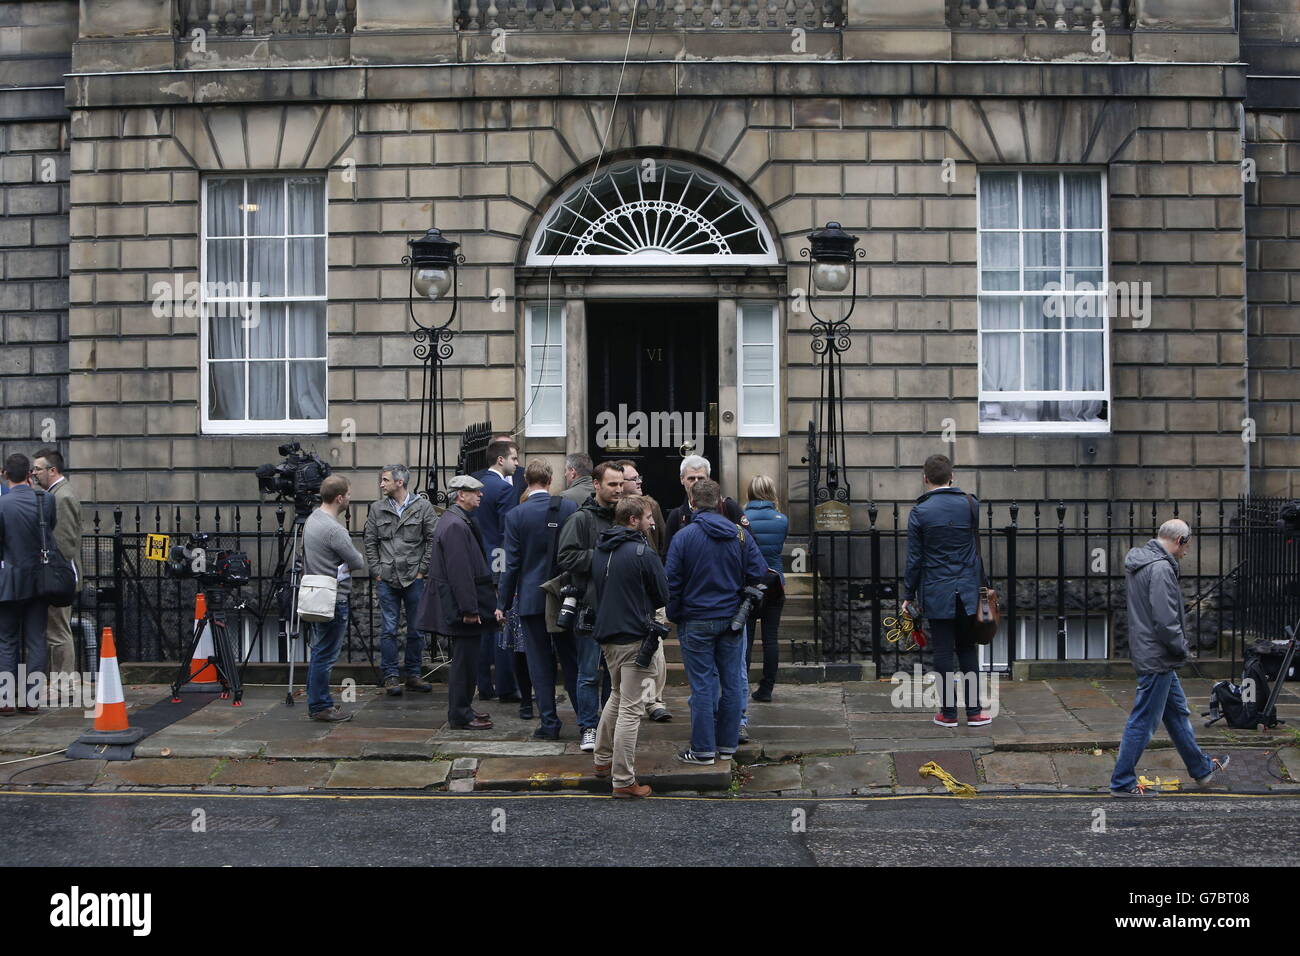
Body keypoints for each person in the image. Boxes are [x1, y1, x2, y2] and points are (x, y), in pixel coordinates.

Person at [1109, 519, 1231, 796]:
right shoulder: (1161, 568)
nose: (1188, 551)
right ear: (1180, 541)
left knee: (1176, 714)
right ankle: (1122, 781)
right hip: (1158, 655)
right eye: (1188, 544)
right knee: (1144, 720)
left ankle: (1200, 768)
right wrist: (1181, 648)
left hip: (1150, 651)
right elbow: (1165, 620)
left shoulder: (1142, 562)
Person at [666, 479, 768, 765]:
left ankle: (702, 750)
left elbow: (671, 582)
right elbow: (760, 571)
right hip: (731, 619)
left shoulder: (683, 537)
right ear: (720, 502)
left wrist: (675, 613)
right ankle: (727, 746)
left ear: (694, 502)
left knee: (702, 686)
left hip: (696, 619)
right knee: (733, 683)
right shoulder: (739, 535)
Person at [901, 454, 992, 729]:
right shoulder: (970, 504)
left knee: (942, 652)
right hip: (967, 589)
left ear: (925, 478)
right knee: (967, 649)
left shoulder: (920, 512)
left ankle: (948, 714)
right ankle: (975, 712)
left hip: (937, 590)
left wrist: (908, 595)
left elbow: (914, 559)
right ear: (951, 476)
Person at [591, 495, 670, 798]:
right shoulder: (642, 552)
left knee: (616, 695)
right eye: (648, 517)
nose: (653, 522)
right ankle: (623, 780)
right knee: (632, 710)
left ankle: (601, 761)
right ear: (634, 520)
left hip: (607, 636)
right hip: (636, 637)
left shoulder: (601, 550)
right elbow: (662, 595)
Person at [496, 460, 579, 740]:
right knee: (572, 662)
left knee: (540, 665)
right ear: (550, 478)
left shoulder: (516, 515)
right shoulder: (568, 508)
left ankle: (549, 724)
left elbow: (512, 565)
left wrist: (503, 603)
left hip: (532, 598)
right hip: (565, 596)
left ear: (526, 481)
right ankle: (587, 722)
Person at [417, 474, 498, 730]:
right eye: (474, 491)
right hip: (461, 607)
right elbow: (459, 572)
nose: (480, 495)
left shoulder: (456, 520)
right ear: (460, 495)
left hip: (462, 604)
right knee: (464, 662)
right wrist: (469, 609)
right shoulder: (454, 525)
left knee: (468, 660)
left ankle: (464, 708)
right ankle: (460, 714)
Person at [556, 460, 623, 752]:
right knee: (587, 673)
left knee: (614, 675)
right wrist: (601, 558)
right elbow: (566, 557)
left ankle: (609, 726)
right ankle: (588, 727)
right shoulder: (581, 519)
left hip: (620, 608)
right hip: (590, 606)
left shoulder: (625, 516)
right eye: (612, 484)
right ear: (596, 484)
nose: (618, 490)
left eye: (621, 484)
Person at [363, 463, 438, 696]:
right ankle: (391, 676)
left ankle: (413, 674)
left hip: (414, 578)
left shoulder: (423, 507)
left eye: (385, 480)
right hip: (387, 578)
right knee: (388, 630)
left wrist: (422, 570)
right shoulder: (377, 508)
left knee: (417, 629)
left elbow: (433, 540)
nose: (381, 484)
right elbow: (370, 541)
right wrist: (376, 570)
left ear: (400, 482)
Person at [302, 475, 367, 722]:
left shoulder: (312, 520)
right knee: (326, 655)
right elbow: (357, 561)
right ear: (339, 497)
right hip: (334, 598)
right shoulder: (334, 529)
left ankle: (316, 701)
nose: (350, 498)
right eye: (349, 494)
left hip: (317, 595)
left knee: (319, 651)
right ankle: (320, 706)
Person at [611, 460, 671, 722]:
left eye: (638, 478)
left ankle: (654, 701)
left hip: (649, 589)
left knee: (655, 649)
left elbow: (661, 542)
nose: (639, 483)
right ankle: (627, 697)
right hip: (623, 595)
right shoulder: (613, 511)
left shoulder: (651, 506)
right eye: (632, 479)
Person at [0, 454, 55, 714]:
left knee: (7, 640)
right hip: (39, 579)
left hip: (9, 580)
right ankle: (31, 700)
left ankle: (6, 699)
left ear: (5, 474)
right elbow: (49, 532)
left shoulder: (2, 504)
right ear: (29, 475)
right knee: (36, 640)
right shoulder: (46, 500)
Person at [472, 438, 523, 707]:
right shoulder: (504, 489)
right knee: (503, 625)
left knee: (484, 628)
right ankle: (506, 686)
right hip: (499, 565)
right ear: (500, 460)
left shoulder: (475, 485)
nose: (517, 463)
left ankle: (484, 685)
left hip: (478, 563)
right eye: (514, 458)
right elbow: (508, 534)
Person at [33, 449, 81, 680]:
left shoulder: (63, 497)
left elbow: (64, 544)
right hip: (57, 575)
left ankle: (64, 682)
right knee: (55, 631)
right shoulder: (56, 494)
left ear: (52, 470)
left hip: (59, 577)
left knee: (59, 632)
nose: (34, 474)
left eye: (38, 469)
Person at [743, 475, 788, 703]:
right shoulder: (782, 519)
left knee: (746, 638)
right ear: (771, 491)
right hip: (775, 583)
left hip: (749, 582)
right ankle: (767, 688)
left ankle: (742, 684)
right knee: (770, 638)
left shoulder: (743, 519)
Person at [662, 455, 748, 558]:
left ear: (708, 479)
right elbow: (668, 556)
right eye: (691, 478)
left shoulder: (728, 507)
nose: (696, 482)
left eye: (701, 478)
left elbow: (749, 544)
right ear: (682, 479)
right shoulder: (676, 516)